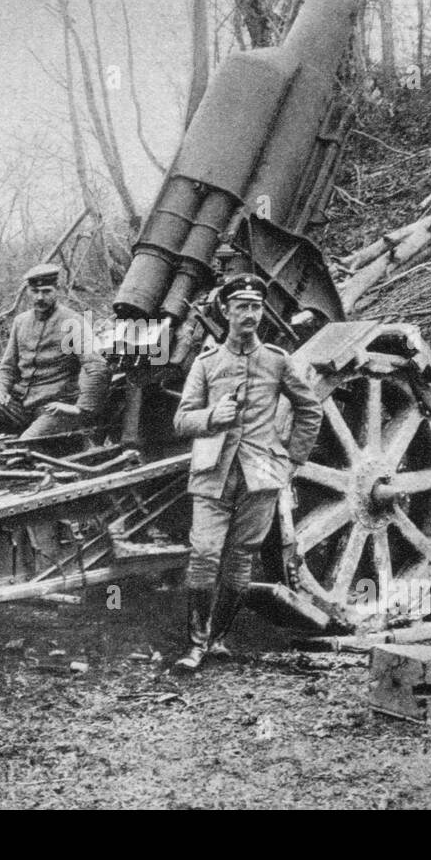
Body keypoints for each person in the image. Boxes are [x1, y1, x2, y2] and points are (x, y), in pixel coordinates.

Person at [171, 274, 323, 673]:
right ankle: (194, 645)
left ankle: (218, 639)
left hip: (260, 475)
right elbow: (181, 420)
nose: (251, 314)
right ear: (226, 310)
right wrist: (210, 416)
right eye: (242, 306)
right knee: (204, 554)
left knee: (240, 561)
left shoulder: (277, 360)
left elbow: (310, 409)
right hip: (212, 473)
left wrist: (292, 460)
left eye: (256, 306)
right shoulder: (206, 364)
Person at [0, 263, 109, 439]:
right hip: (20, 405)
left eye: (46, 291)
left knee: (25, 443)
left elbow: (96, 366)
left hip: (54, 407)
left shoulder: (73, 322)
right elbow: (8, 367)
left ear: (57, 290)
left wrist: (80, 408)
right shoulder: (20, 322)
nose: (39, 297)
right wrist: (0, 390)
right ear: (28, 291)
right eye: (35, 291)